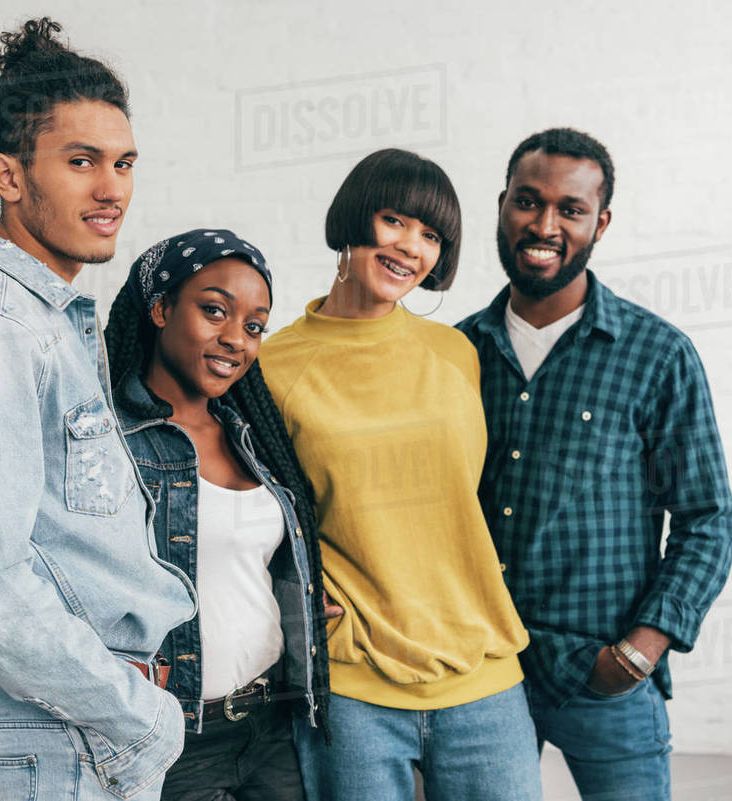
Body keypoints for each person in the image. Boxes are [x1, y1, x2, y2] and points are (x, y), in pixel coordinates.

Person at [0, 19, 194, 800]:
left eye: (124, 163)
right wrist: (141, 718)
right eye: (81, 161)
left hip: (78, 733)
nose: (112, 189)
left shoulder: (47, 319)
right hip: (61, 740)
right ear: (8, 174)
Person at [455, 127, 732, 800]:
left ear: (600, 222)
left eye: (570, 209)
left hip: (601, 672)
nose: (544, 224)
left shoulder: (656, 354)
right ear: (501, 206)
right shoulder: (455, 353)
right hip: (480, 672)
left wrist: (641, 648)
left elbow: (707, 516)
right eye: (527, 201)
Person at [260, 148, 544, 801]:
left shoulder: (456, 352)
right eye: (395, 221)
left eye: (431, 235)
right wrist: (294, 596)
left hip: (482, 669)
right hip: (353, 681)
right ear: (356, 219)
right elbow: (256, 511)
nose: (411, 247)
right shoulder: (273, 367)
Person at [101, 229, 333, 800]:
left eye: (254, 326)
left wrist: (301, 604)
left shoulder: (253, 435)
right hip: (174, 736)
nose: (236, 339)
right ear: (159, 308)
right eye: (214, 311)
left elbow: (249, 565)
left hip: (271, 721)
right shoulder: (106, 438)